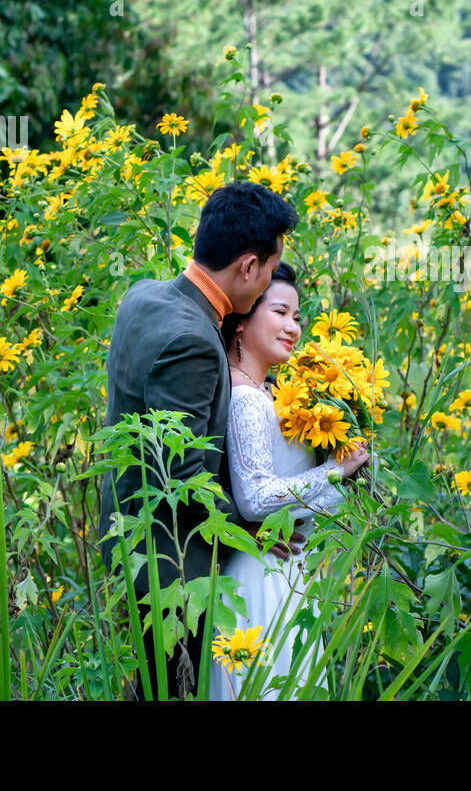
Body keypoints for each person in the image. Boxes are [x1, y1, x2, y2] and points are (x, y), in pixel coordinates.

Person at [98, 181, 298, 700]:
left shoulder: (143, 295)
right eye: (270, 271)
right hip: (171, 566)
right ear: (248, 267)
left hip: (127, 538)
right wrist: (252, 531)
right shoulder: (194, 341)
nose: (266, 289)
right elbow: (182, 474)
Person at [209, 262, 370, 700]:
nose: (293, 327)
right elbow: (256, 498)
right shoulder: (245, 399)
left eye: (297, 317)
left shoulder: (270, 393)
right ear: (241, 321)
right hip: (260, 575)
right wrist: (336, 470)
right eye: (280, 312)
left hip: (284, 568)